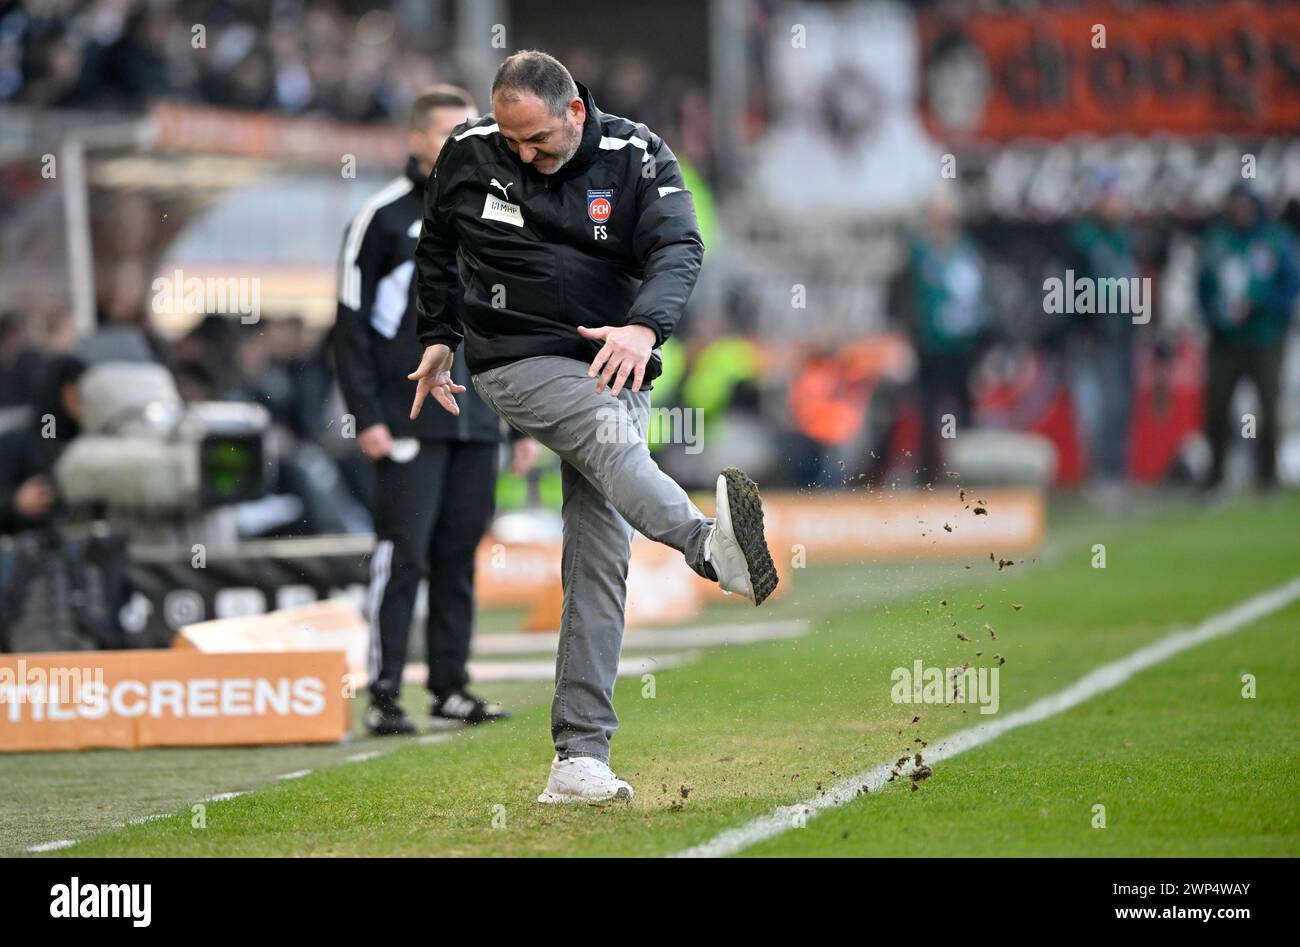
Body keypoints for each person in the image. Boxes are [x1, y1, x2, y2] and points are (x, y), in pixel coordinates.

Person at [409, 51, 778, 803]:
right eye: (510, 138)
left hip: (618, 357)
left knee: (600, 554)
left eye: (536, 138)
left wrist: (644, 330)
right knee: (611, 444)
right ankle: (710, 546)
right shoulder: (467, 155)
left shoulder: (638, 155)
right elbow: (438, 244)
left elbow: (679, 247)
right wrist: (439, 334)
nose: (522, 153)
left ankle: (579, 756)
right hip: (514, 358)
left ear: (575, 109)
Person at [334, 85, 535, 736]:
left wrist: (519, 422)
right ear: (416, 138)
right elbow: (350, 324)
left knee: (457, 557)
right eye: (446, 131)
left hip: (479, 419)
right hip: (409, 414)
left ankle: (450, 686)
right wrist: (366, 413)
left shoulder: (494, 210)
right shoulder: (382, 218)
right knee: (404, 556)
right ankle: (384, 692)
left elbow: (509, 320)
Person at [1197, 184, 1298, 490]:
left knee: (1268, 406)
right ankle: (1216, 474)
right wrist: (1216, 314)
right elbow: (1202, 288)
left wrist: (1259, 308)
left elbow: (1290, 285)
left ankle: (1267, 475)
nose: (1240, 211)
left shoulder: (1275, 240)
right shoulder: (1217, 240)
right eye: (1235, 206)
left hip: (1265, 338)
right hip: (1225, 340)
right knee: (1216, 407)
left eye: (1245, 205)